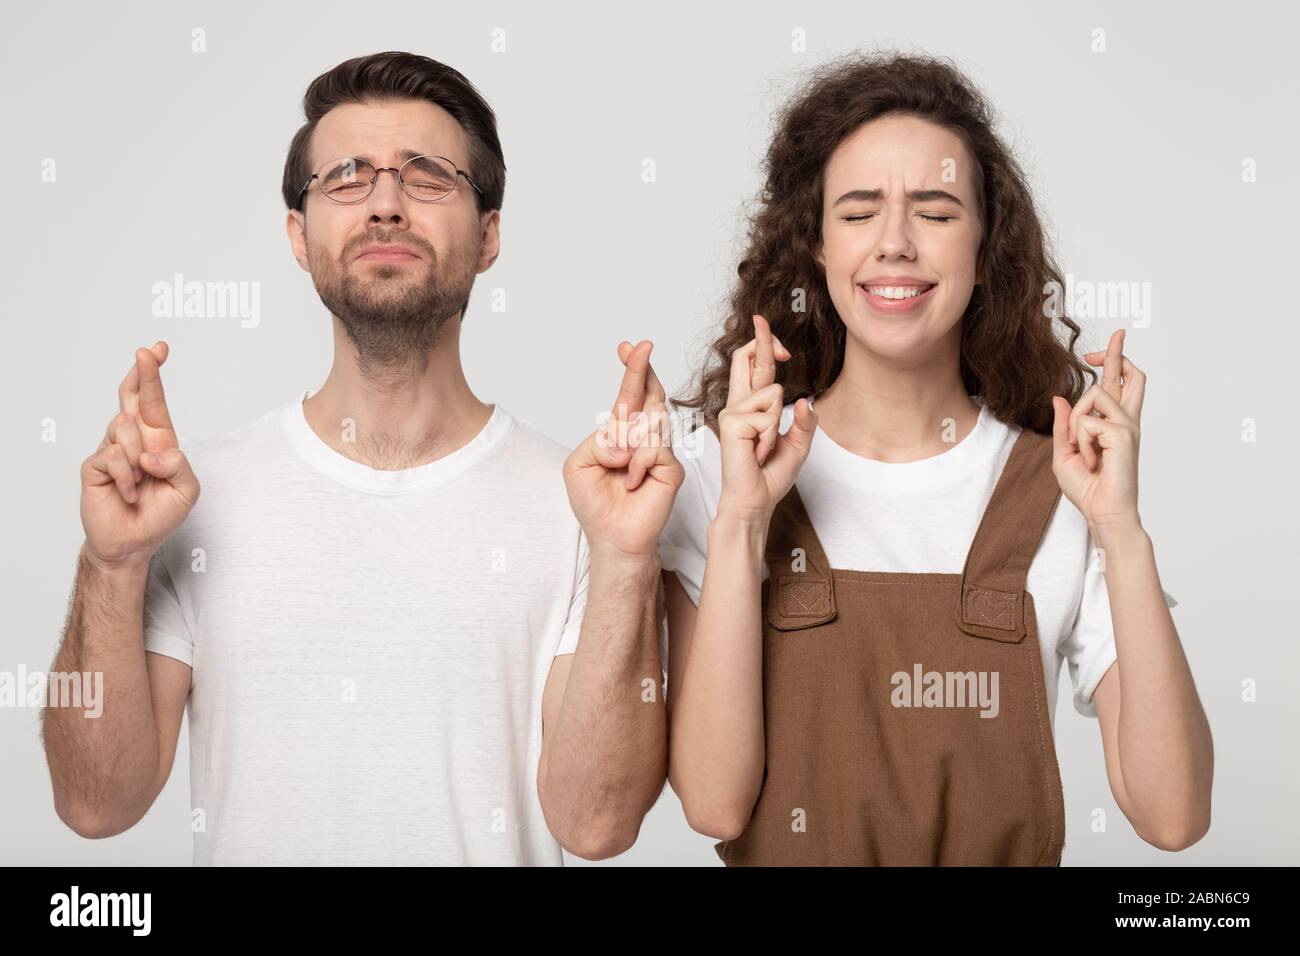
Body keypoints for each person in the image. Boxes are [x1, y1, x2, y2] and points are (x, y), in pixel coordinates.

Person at [41, 51, 676, 865]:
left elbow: (596, 826)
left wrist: (625, 558)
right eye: (345, 177)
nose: (385, 203)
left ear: (488, 236)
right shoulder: (192, 499)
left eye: (428, 176)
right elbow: (95, 806)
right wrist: (111, 562)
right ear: (299, 236)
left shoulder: (583, 507)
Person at [657, 52, 1213, 865]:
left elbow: (1174, 815)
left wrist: (1121, 531)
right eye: (858, 212)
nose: (895, 244)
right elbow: (713, 804)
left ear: (986, 249)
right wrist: (744, 521)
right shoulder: (722, 475)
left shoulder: (1063, 490)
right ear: (816, 247)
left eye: (937, 211)